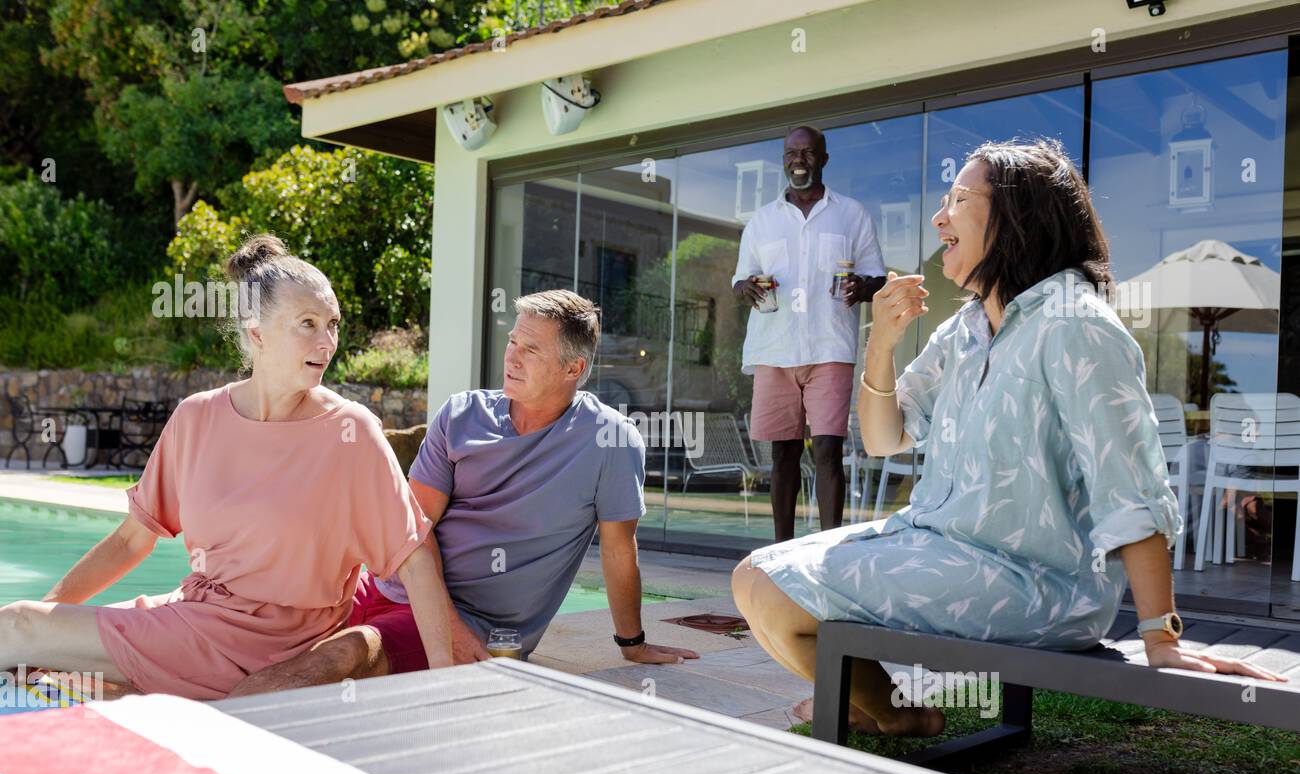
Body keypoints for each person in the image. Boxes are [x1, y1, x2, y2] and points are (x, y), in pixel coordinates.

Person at [731, 139, 1288, 737]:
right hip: (941, 544)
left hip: (1036, 582)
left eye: (959, 200)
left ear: (1016, 217)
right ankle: (896, 715)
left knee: (772, 589)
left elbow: (1132, 486)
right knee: (751, 578)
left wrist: (1161, 635)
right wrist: (882, 344)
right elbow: (885, 437)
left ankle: (882, 711)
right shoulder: (967, 327)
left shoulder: (1076, 325)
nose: (939, 218)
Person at [0, 234, 453, 700]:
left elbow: (415, 560)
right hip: (190, 622)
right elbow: (131, 540)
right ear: (256, 332)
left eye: (333, 324)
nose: (328, 341)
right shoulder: (196, 418)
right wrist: (46, 612)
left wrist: (450, 689)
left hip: (274, 650)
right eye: (309, 324)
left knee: (15, 630)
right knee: (30, 646)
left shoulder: (351, 430)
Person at [228, 290, 698, 697]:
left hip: (471, 620)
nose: (511, 356)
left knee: (338, 660)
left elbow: (619, 548)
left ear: (573, 367)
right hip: (380, 584)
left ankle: (201, 753)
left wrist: (631, 642)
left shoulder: (608, 441)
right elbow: (412, 529)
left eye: (530, 349)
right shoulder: (462, 415)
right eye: (513, 341)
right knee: (239, 621)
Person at [732, 124, 887, 542]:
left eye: (807, 153)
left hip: (829, 347)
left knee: (827, 451)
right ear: (783, 159)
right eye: (791, 153)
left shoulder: (851, 214)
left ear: (824, 158)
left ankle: (828, 550)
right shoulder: (761, 222)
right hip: (774, 349)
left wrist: (864, 287)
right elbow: (739, 280)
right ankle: (782, 550)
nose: (798, 160)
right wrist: (745, 287)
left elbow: (876, 276)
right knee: (782, 456)